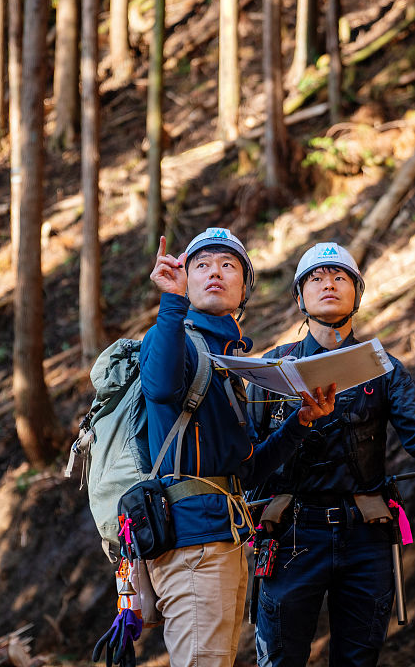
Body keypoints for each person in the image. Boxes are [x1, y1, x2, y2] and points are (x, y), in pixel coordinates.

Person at [246, 242, 415, 667]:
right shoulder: (271, 371)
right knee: (279, 659)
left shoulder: (383, 368)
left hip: (365, 536)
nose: (328, 284)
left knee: (359, 660)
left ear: (357, 294)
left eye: (340, 277)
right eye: (316, 278)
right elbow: (247, 455)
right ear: (299, 297)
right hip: (290, 535)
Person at [140, 227, 337, 667]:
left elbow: (247, 470)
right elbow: (160, 388)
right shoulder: (172, 338)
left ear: (245, 288)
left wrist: (301, 422)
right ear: (185, 280)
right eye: (202, 264)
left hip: (226, 539)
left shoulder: (230, 363)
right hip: (192, 541)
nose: (215, 272)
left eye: (228, 265)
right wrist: (170, 303)